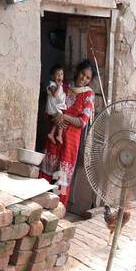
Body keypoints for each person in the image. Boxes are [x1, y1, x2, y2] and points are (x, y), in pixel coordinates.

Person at [41, 59, 98, 208]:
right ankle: (40, 205)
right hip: (54, 138)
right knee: (47, 173)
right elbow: (50, 107)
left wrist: (64, 117)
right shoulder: (63, 86)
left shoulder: (89, 95)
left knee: (62, 178)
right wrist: (56, 118)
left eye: (87, 78)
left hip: (70, 142)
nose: (83, 79)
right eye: (82, 74)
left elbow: (82, 121)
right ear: (77, 71)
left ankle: (57, 211)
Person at [44, 64, 69, 146]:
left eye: (61, 74)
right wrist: (58, 86)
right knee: (61, 119)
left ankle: (52, 134)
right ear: (52, 76)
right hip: (53, 108)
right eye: (57, 74)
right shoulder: (52, 85)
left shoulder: (59, 85)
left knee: (57, 121)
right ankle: (59, 135)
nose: (60, 76)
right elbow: (55, 95)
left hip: (55, 107)